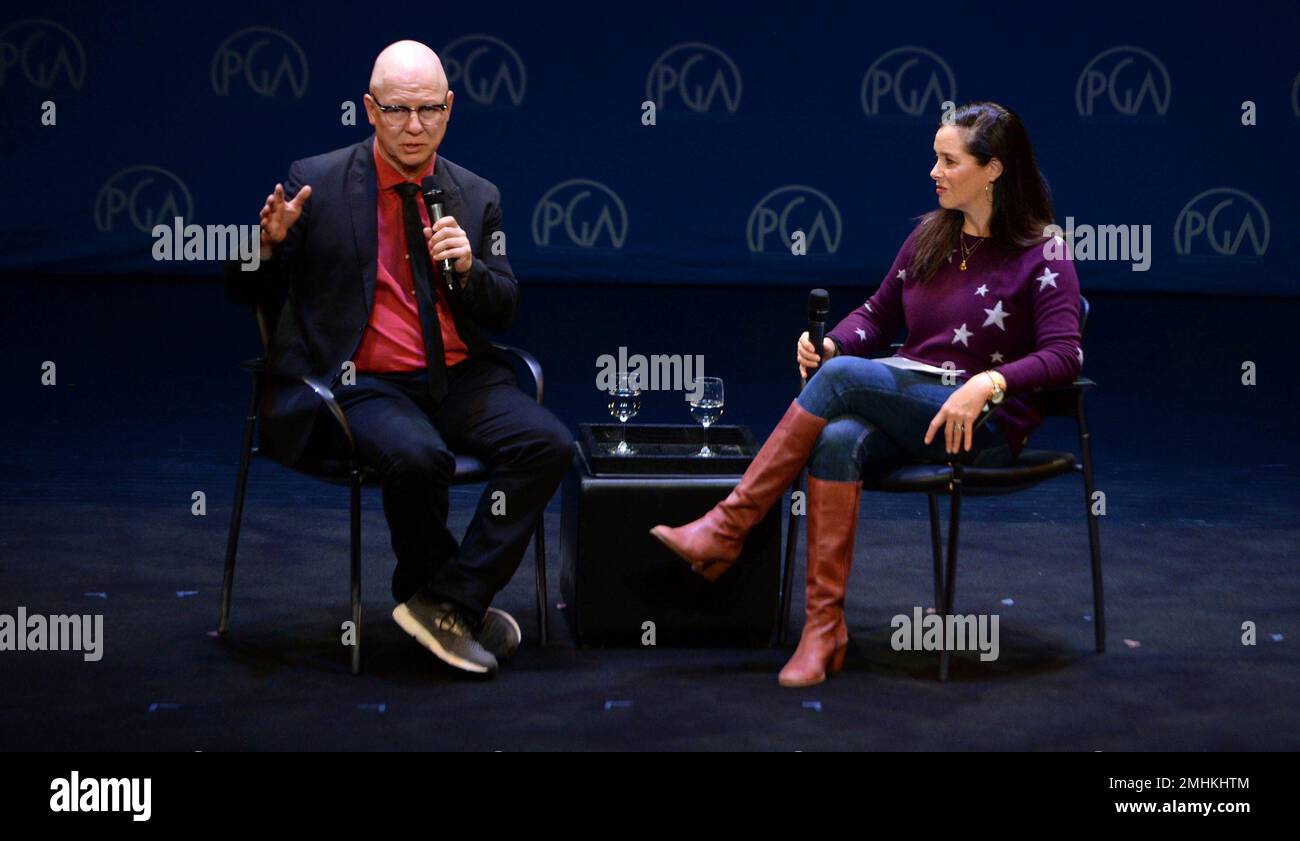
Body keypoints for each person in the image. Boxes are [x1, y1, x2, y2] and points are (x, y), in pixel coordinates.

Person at [652, 102, 1083, 687]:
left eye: (948, 160)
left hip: (979, 424)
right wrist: (831, 346)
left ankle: (728, 528)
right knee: (836, 436)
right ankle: (823, 629)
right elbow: (876, 318)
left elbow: (1065, 356)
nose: (934, 171)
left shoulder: (1045, 253)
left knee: (843, 382)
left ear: (993, 170)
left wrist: (990, 380)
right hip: (914, 406)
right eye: (935, 157)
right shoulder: (930, 238)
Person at [225, 40, 573, 677]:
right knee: (418, 457)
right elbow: (247, 294)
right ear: (369, 109)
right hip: (358, 379)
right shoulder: (318, 183)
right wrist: (264, 250)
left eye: (428, 110)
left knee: (548, 444)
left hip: (457, 376)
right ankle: (446, 602)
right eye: (396, 110)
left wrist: (469, 269)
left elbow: (503, 308)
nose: (414, 126)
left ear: (449, 110)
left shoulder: (475, 194)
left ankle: (448, 602)